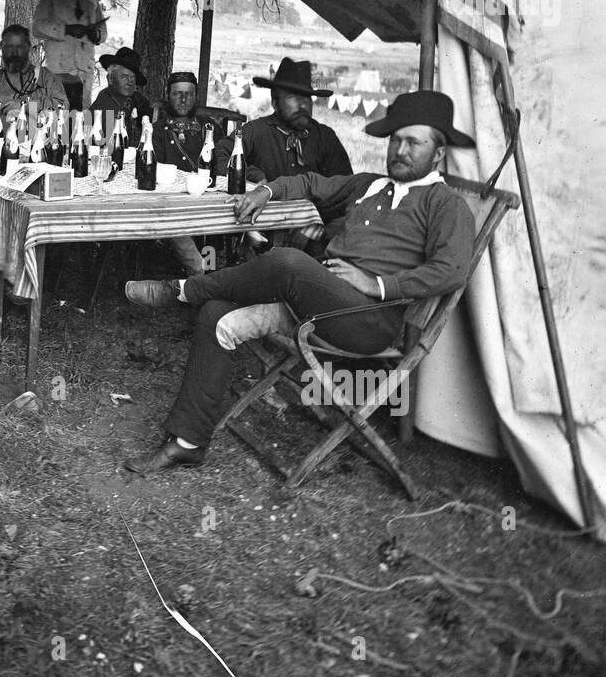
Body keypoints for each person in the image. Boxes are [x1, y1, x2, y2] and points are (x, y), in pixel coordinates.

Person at [120, 90, 476, 472]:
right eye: (395, 140)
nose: (401, 150)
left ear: (437, 154)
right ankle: (188, 442)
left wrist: (379, 285)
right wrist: (267, 190)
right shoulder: (370, 185)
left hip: (369, 321)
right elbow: (309, 182)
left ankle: (184, 289)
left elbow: (452, 270)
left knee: (290, 261)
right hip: (317, 301)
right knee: (217, 315)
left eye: (414, 143)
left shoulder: (446, 205)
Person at [217, 57, 353, 253]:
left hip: (314, 241)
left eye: (307, 98)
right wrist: (254, 177)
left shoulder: (325, 138)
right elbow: (219, 156)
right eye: (293, 97)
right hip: (260, 236)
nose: (303, 105)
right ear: (275, 102)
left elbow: (346, 191)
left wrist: (313, 227)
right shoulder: (256, 131)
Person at [152, 72, 220, 276]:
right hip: (175, 201)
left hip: (207, 197)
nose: (183, 99)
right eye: (177, 94)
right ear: (168, 96)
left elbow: (222, 159)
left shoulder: (209, 126)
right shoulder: (158, 130)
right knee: (172, 215)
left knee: (217, 220)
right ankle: (201, 273)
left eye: (188, 94)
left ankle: (211, 267)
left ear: (196, 97)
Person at [31, 0, 108, 110]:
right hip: (58, 70)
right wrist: (66, 29)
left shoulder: (92, 1)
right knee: (56, 114)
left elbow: (102, 32)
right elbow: (37, 27)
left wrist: (96, 35)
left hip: (85, 71)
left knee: (81, 117)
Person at [0, 24, 69, 128]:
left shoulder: (45, 77)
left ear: (28, 48)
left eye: (19, 47)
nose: (14, 52)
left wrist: (25, 105)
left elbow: (63, 107)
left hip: (34, 141)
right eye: (9, 47)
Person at [90, 47, 152, 146]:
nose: (130, 82)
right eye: (124, 77)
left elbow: (146, 106)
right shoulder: (105, 108)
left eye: (133, 78)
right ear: (110, 79)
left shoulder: (131, 97)